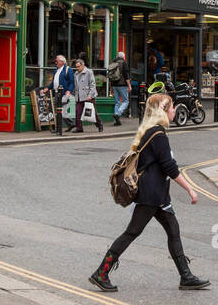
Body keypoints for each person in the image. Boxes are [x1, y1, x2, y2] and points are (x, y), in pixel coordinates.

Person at [89, 93, 209, 292]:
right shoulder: (158, 134)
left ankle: (186, 276)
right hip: (152, 195)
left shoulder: (152, 131)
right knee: (132, 232)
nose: (173, 111)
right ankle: (101, 272)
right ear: (162, 110)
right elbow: (170, 167)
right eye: (171, 108)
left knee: (173, 231)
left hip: (157, 195)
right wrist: (190, 189)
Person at [71, 57, 103, 133]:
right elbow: (76, 86)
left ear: (83, 65)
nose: (77, 68)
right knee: (78, 112)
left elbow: (92, 84)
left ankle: (99, 124)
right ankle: (79, 128)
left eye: (78, 66)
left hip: (88, 96)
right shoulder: (76, 73)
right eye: (76, 67)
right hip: (79, 96)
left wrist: (90, 95)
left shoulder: (89, 72)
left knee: (92, 113)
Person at [50, 55, 75, 133]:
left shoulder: (68, 70)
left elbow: (72, 82)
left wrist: (69, 91)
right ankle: (70, 124)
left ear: (62, 62)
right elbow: (53, 82)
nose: (55, 62)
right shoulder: (56, 70)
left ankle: (59, 129)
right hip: (57, 93)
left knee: (61, 111)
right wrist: (47, 88)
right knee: (59, 111)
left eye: (57, 61)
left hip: (64, 93)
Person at [108, 51, 130, 127]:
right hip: (122, 85)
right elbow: (126, 76)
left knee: (117, 102)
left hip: (114, 85)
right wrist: (129, 85)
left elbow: (110, 77)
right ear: (123, 57)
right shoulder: (124, 63)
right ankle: (118, 114)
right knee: (126, 101)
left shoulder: (113, 63)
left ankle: (115, 121)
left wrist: (111, 88)